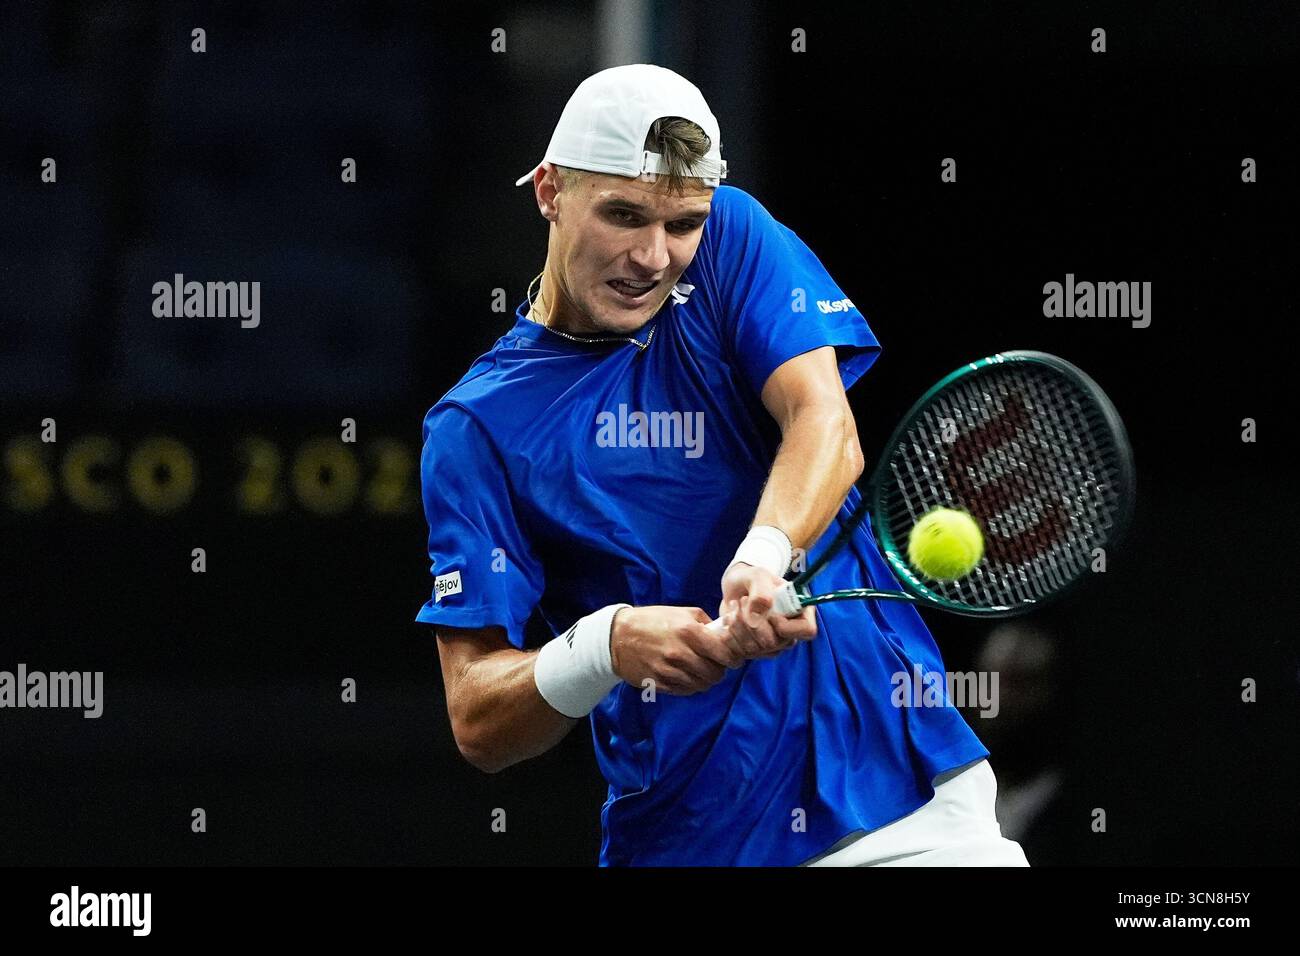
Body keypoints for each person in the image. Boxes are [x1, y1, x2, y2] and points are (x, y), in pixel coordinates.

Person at [416, 63, 1027, 866]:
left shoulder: (731, 236)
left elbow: (824, 422)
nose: (652, 256)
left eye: (681, 223)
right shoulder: (475, 428)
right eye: (622, 215)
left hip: (909, 806)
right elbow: (478, 723)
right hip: (693, 837)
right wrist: (608, 644)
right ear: (549, 192)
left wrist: (762, 556)